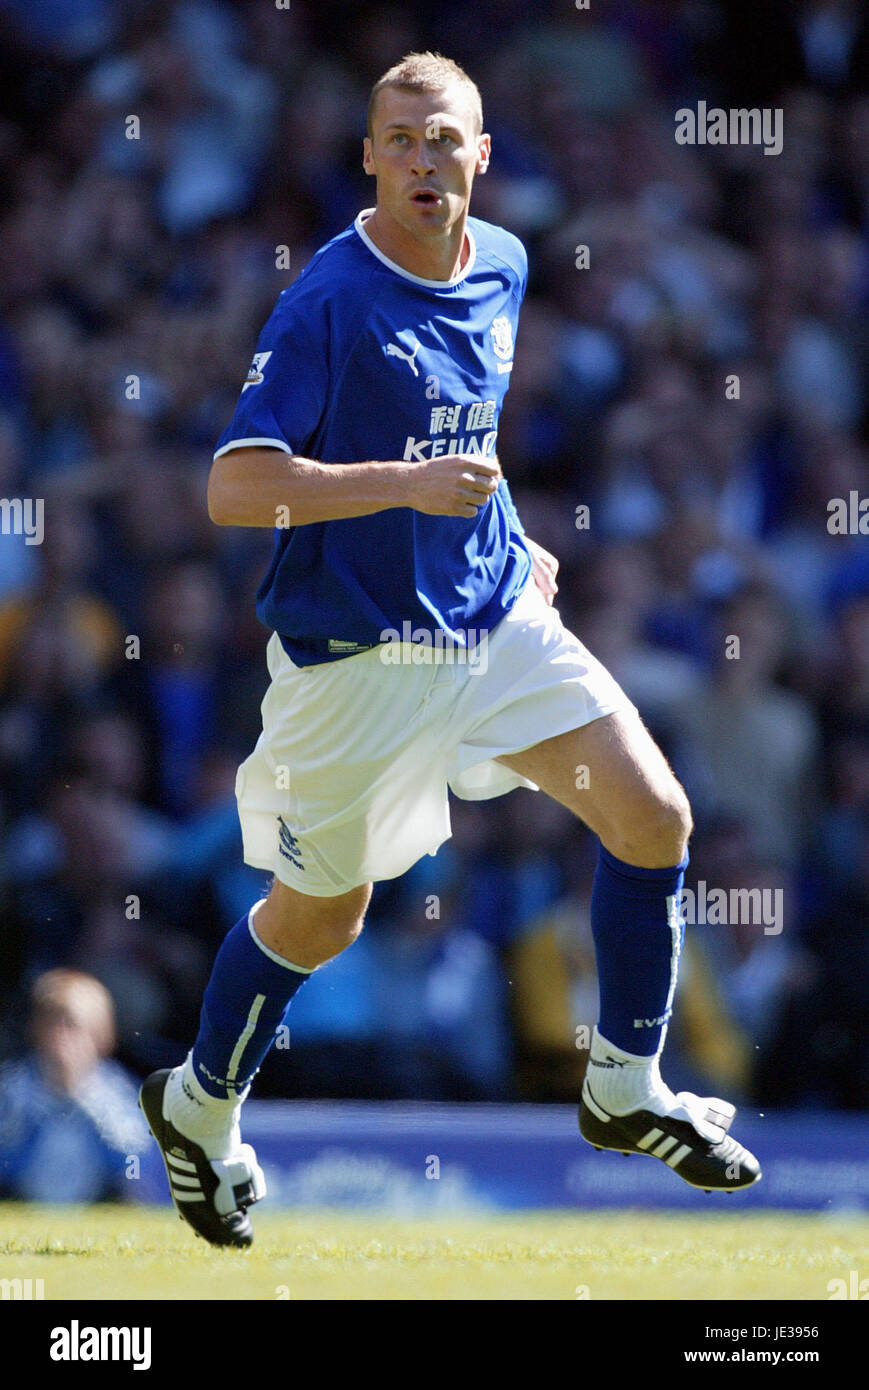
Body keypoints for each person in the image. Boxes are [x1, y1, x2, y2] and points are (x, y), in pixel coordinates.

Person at [139, 52, 760, 1248]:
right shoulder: (327, 298)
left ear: (482, 156)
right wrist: (407, 488)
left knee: (654, 819)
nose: (424, 161)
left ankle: (622, 1087)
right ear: (370, 158)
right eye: (401, 141)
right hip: (354, 663)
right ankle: (199, 1104)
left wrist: (508, 531)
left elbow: (463, 434)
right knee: (323, 916)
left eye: (445, 141)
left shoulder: (509, 266)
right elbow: (231, 488)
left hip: (492, 627)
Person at [0, 970, 148, 1202]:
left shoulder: (118, 1093)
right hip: (22, 1196)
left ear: (100, 1035)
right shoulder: (14, 1088)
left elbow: (135, 1165)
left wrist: (89, 1107)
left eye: (72, 1025)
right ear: (35, 1030)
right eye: (51, 1025)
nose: (61, 1037)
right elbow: (6, 1160)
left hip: (97, 1198)